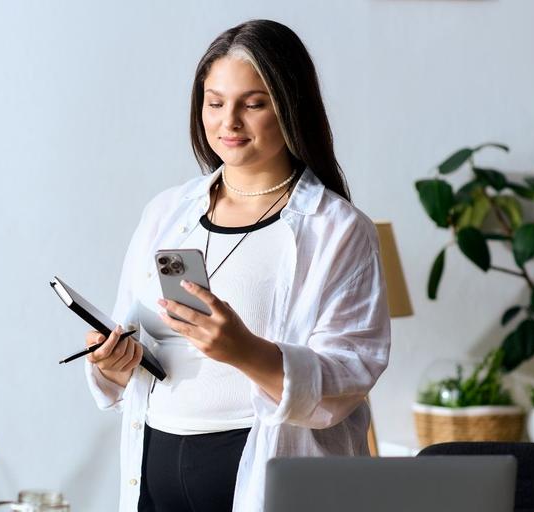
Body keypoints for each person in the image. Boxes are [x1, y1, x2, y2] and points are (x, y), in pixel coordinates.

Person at [82, 19, 391, 512]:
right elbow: (140, 337)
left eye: (253, 103)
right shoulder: (167, 211)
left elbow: (349, 377)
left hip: (258, 468)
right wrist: (116, 363)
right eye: (215, 102)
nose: (229, 123)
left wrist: (244, 350)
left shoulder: (339, 229)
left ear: (291, 106)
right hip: (154, 462)